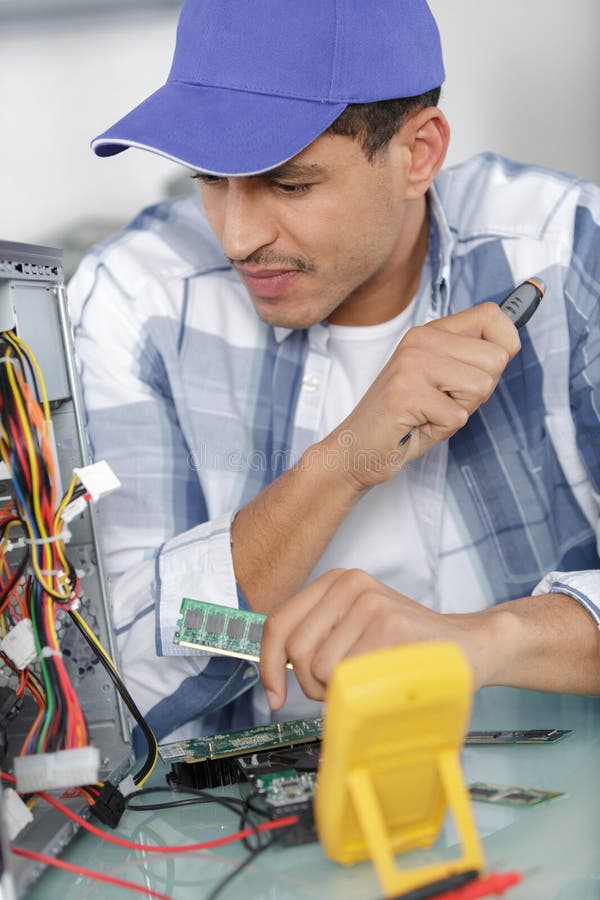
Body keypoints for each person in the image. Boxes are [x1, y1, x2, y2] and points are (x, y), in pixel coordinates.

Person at [68, 0, 600, 748]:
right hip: (254, 832)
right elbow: (113, 672)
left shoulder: (569, 250)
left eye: (290, 185)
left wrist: (485, 642)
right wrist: (340, 464)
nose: (239, 236)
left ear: (418, 153)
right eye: (208, 179)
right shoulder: (135, 298)